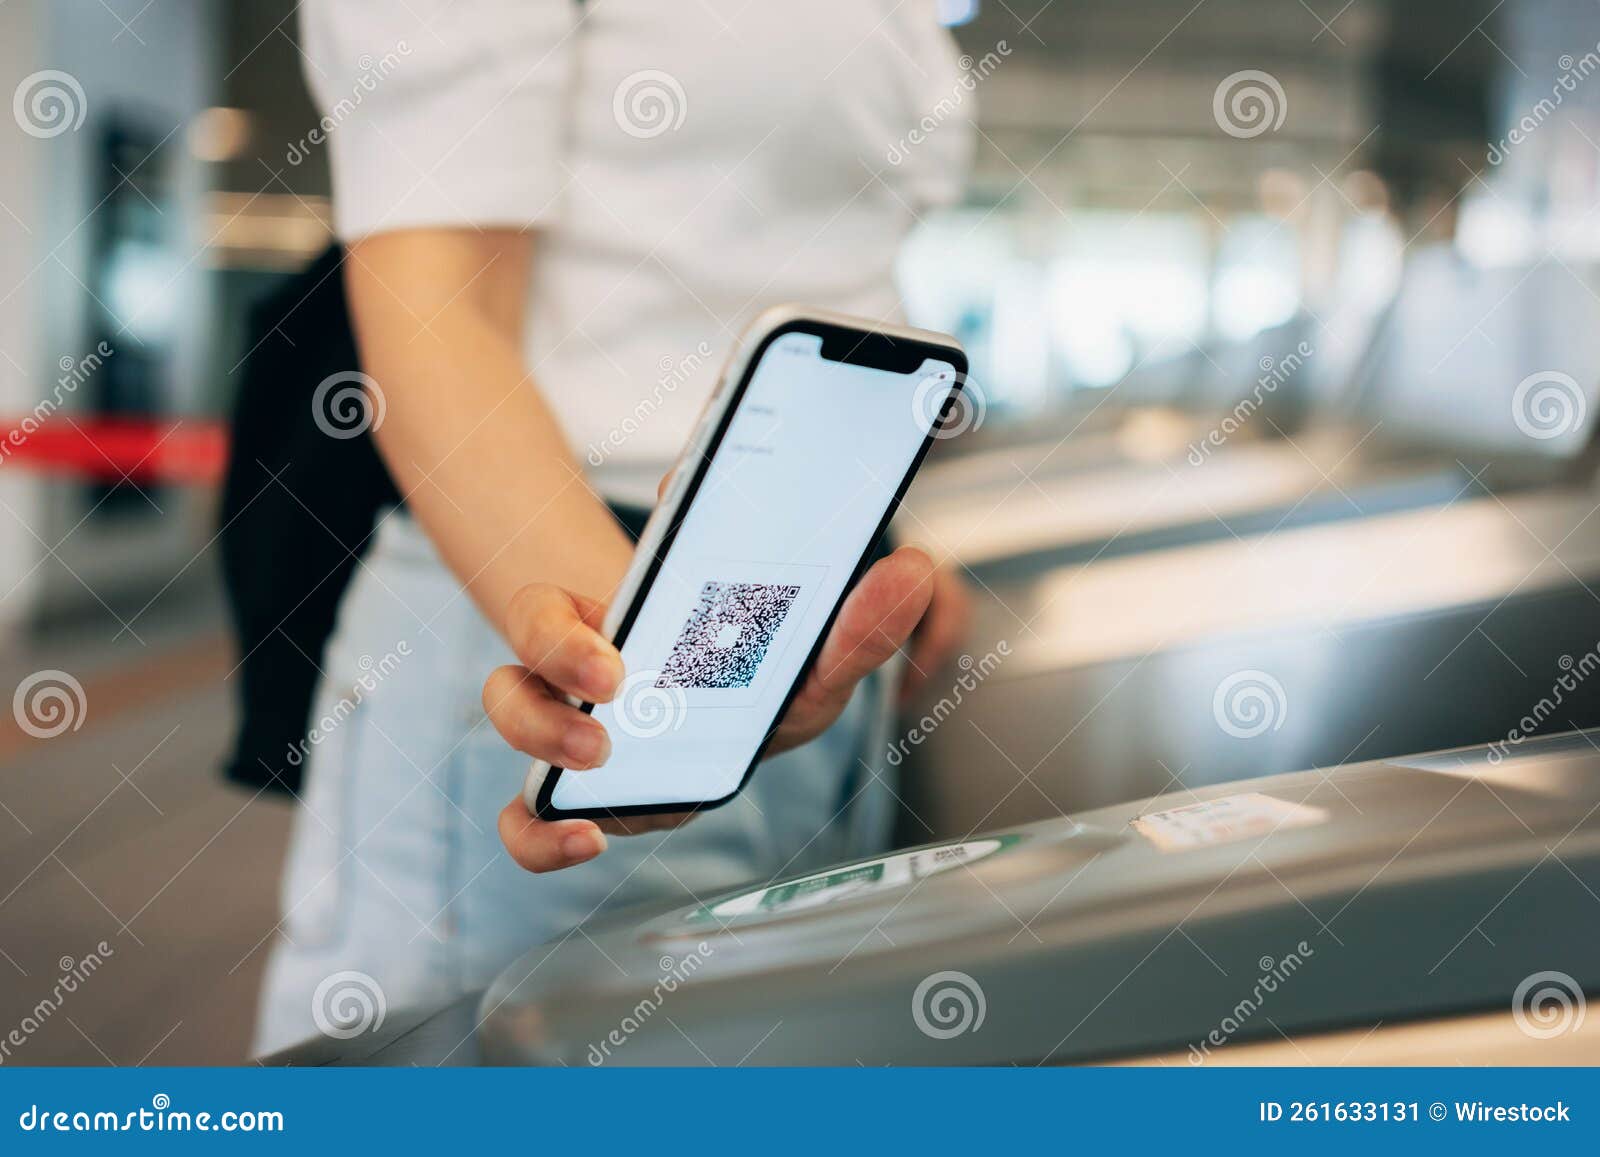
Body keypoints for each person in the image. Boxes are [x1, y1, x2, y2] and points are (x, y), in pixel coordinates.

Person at [253, 0, 975, 1053]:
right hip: (563, 602)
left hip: (772, 643)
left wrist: (864, 553)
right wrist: (671, 682)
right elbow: (435, 307)